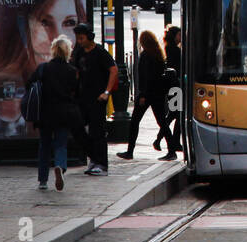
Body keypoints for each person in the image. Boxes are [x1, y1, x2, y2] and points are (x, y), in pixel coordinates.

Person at [0, 0, 85, 138]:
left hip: (49, 121)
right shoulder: (1, 84)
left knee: (49, 147)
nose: (56, 37)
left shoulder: (49, 70)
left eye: (69, 22)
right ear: (21, 27)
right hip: (53, 121)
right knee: (58, 146)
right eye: (44, 22)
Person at [28, 36, 81, 191]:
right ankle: (60, 165)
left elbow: (29, 84)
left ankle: (43, 181)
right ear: (67, 52)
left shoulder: (44, 68)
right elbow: (76, 92)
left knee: (44, 145)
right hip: (63, 113)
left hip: (45, 113)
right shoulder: (72, 71)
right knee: (60, 144)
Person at [119, 30, 178, 161]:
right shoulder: (158, 54)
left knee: (135, 121)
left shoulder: (146, 56)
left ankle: (130, 151)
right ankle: (171, 150)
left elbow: (146, 77)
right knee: (162, 121)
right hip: (157, 93)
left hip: (147, 94)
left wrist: (142, 95)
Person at [70, 23, 117, 176]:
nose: (80, 41)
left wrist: (106, 92)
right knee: (77, 128)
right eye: (78, 38)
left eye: (82, 38)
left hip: (97, 99)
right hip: (81, 98)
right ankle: (94, 157)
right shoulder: (78, 52)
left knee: (97, 131)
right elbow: (75, 71)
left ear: (90, 37)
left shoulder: (100, 52)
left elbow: (113, 70)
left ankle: (101, 164)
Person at [155, 25, 182, 153]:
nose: (180, 37)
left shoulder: (167, 48)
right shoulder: (175, 50)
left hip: (171, 86)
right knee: (176, 114)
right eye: (179, 35)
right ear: (174, 36)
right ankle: (166, 140)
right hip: (176, 86)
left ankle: (167, 140)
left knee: (174, 114)